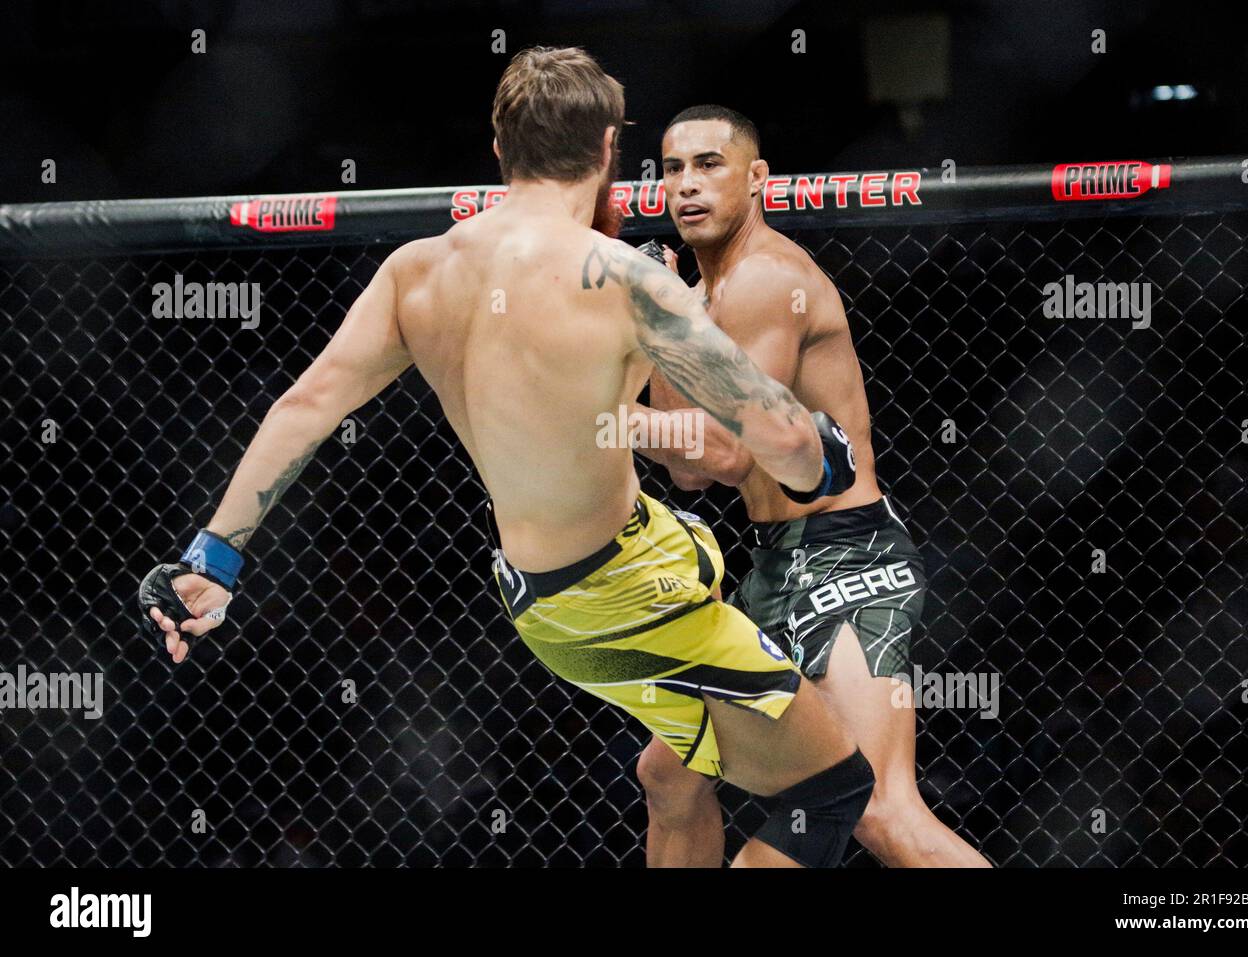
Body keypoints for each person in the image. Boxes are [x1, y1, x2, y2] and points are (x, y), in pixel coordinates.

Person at [138, 49, 872, 867]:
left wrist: (214, 554)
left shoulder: (417, 271)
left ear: (499, 150)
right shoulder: (625, 277)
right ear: (605, 152)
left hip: (540, 591)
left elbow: (304, 408)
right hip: (620, 596)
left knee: (675, 772)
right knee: (831, 786)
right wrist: (826, 458)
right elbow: (783, 446)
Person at [632, 105, 990, 867]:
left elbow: (724, 453)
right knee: (670, 770)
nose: (687, 185)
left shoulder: (765, 280)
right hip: (774, 564)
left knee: (883, 809)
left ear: (756, 178)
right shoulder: (702, 293)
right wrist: (665, 324)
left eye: (709, 164)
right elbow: (692, 468)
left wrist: (592, 423)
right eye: (672, 168)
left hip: (848, 561)